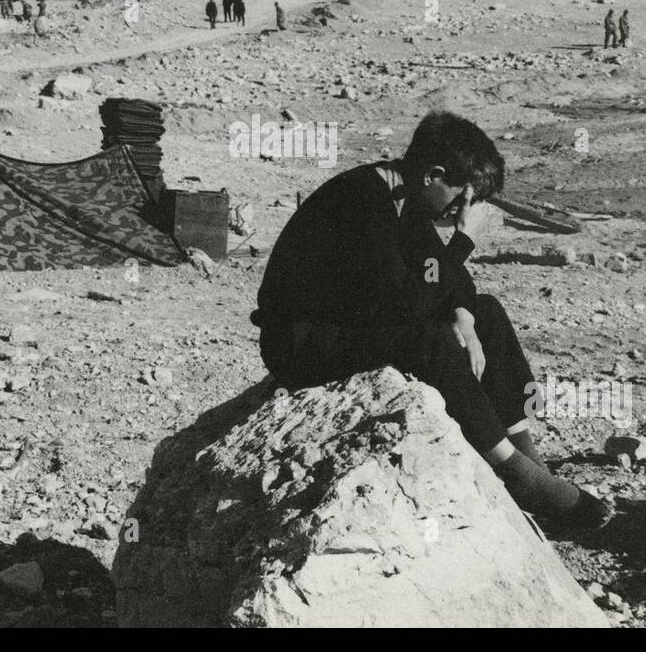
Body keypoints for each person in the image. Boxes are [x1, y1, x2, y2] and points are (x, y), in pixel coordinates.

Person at [251, 111, 610, 530]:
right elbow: (402, 302)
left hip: (346, 323)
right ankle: (518, 475)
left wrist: (465, 315)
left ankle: (531, 460)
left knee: (486, 312)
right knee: (431, 340)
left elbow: (433, 272)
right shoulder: (362, 200)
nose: (459, 211)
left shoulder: (403, 196)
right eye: (459, 199)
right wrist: (463, 240)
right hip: (301, 342)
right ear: (432, 175)